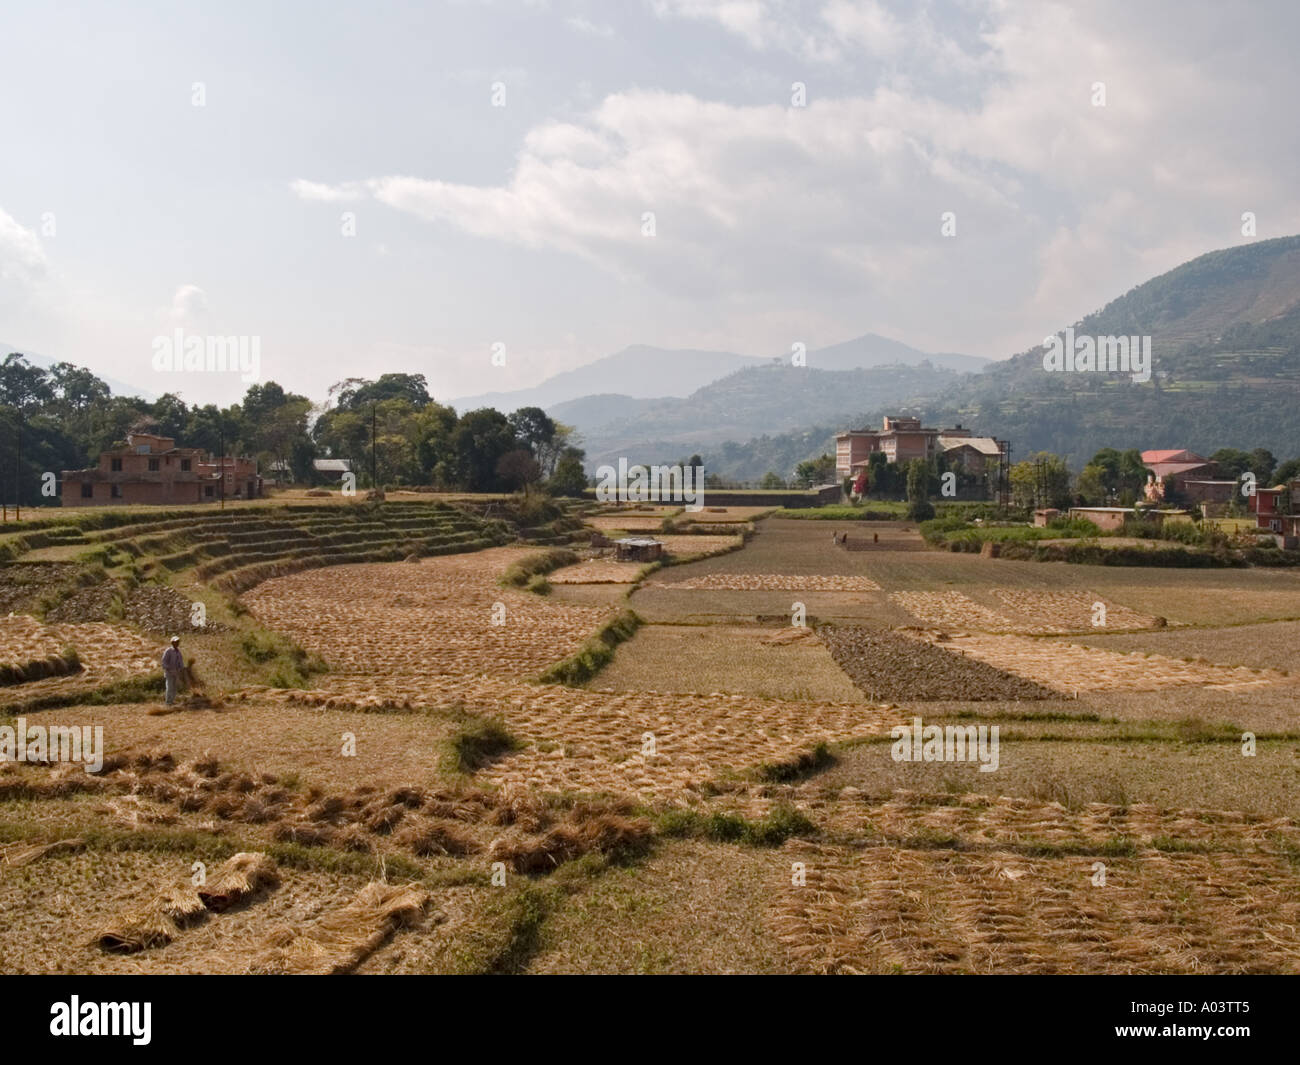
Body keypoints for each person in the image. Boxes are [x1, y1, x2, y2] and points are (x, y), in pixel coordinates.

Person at [162, 636, 184, 706]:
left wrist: (181, 669)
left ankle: (171, 701)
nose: (177, 643)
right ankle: (168, 702)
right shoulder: (168, 651)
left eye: (178, 642)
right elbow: (164, 662)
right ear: (172, 643)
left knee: (174, 688)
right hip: (169, 673)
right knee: (169, 687)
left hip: (176, 672)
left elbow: (180, 662)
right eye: (175, 642)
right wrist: (168, 668)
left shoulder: (178, 652)